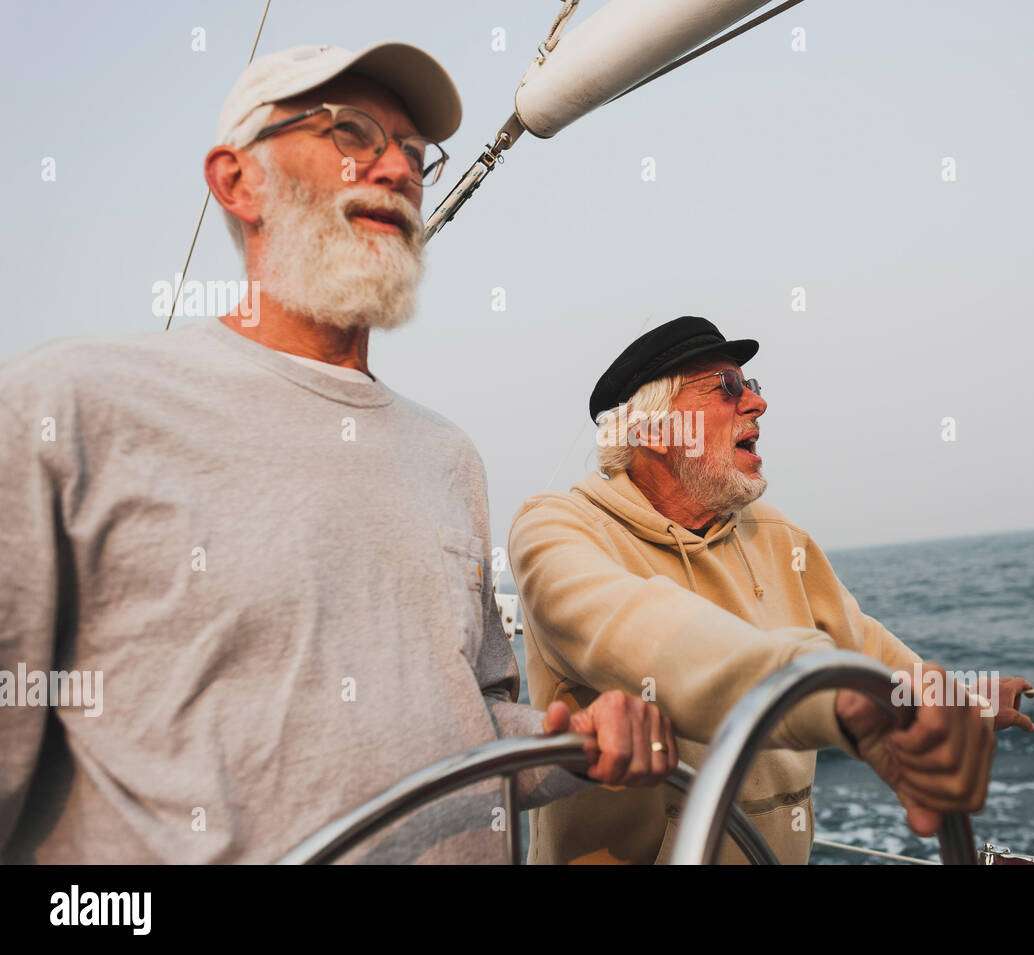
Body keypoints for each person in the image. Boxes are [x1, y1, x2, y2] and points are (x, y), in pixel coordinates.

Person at [0, 42, 676, 865]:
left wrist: (570, 742)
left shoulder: (448, 455)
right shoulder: (67, 406)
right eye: (351, 131)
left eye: (415, 155)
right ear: (235, 179)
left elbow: (465, 721)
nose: (396, 169)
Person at [509, 316, 1034, 864]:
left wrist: (958, 701)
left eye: (753, 386)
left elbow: (863, 645)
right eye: (729, 388)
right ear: (654, 430)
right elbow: (642, 631)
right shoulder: (556, 528)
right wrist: (834, 696)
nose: (757, 404)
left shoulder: (777, 535)